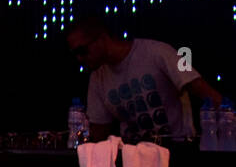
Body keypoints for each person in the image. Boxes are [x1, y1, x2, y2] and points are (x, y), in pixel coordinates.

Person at [64, 14, 223, 143]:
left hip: (176, 149)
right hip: (133, 160)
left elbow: (207, 93)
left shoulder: (159, 52)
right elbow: (99, 134)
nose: (79, 59)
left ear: (102, 38)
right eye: (75, 54)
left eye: (82, 50)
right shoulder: (97, 78)